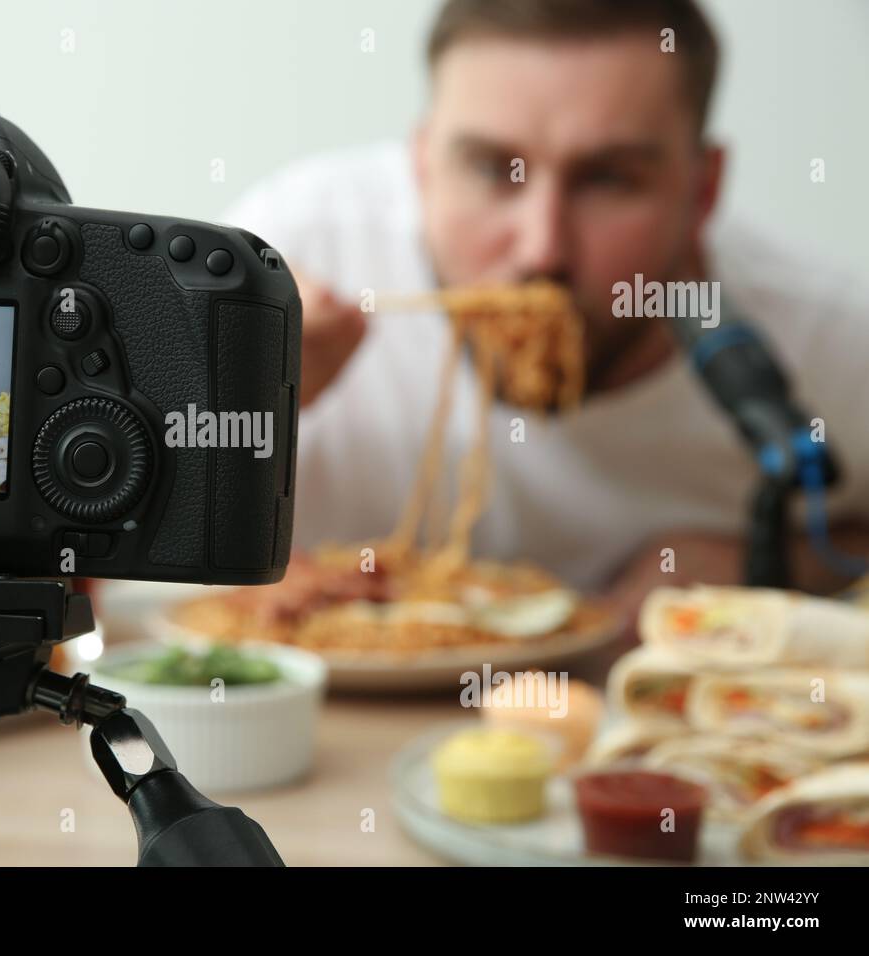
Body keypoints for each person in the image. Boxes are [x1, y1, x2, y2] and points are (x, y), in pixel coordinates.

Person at [223, 0, 869, 621]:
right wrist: (227, 406)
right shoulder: (286, 260)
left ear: (703, 191)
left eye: (608, 178)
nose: (543, 249)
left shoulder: (828, 339)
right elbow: (155, 525)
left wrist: (768, 562)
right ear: (421, 166)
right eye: (493, 170)